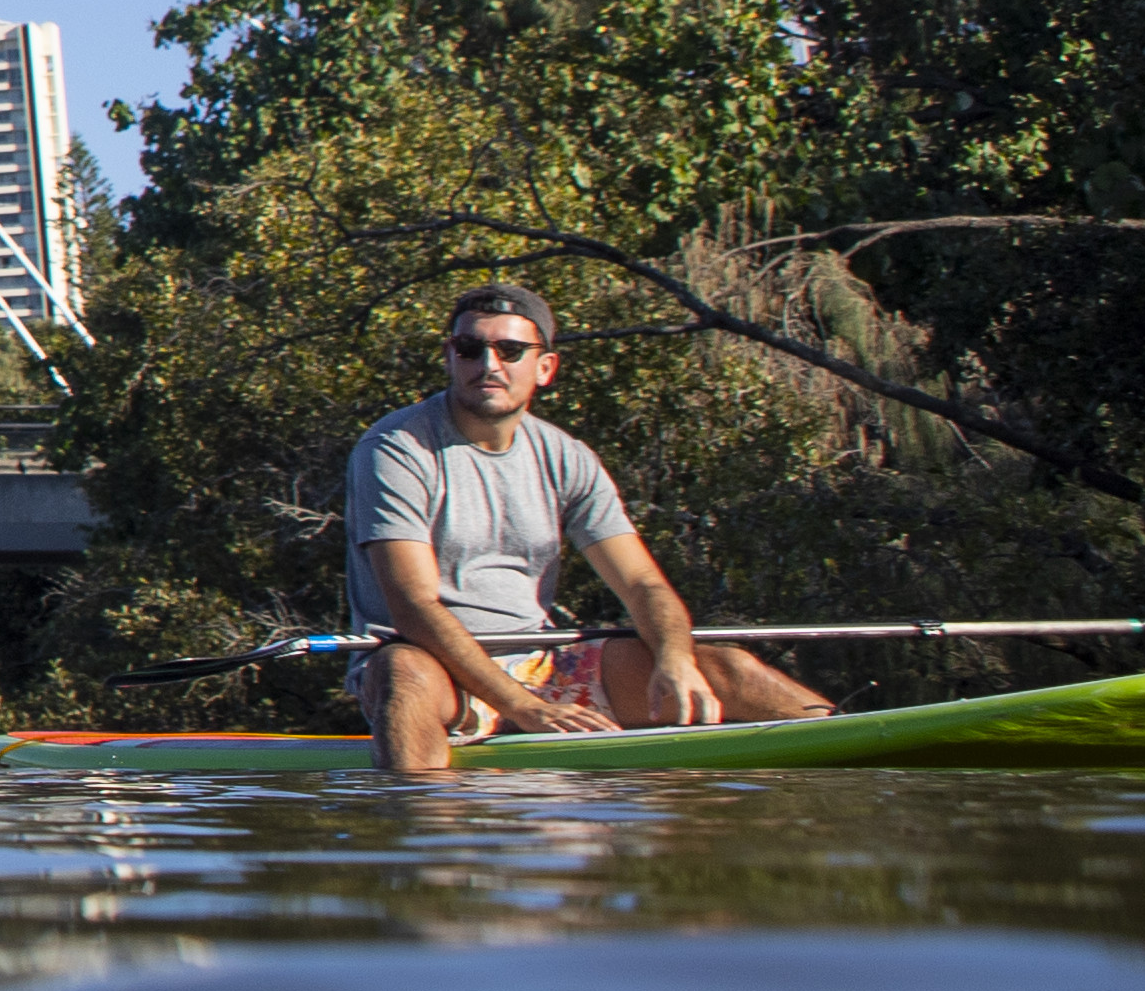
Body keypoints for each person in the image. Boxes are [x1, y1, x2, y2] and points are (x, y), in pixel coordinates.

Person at [350, 281, 829, 775]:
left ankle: (867, 742)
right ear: (450, 358)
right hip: (436, 671)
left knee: (728, 667)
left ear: (545, 368)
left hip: (541, 666)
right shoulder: (395, 448)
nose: (489, 365)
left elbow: (643, 585)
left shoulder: (567, 456)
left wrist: (674, 660)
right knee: (402, 670)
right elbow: (413, 606)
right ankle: (425, 828)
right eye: (470, 349)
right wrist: (522, 707)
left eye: (510, 350)